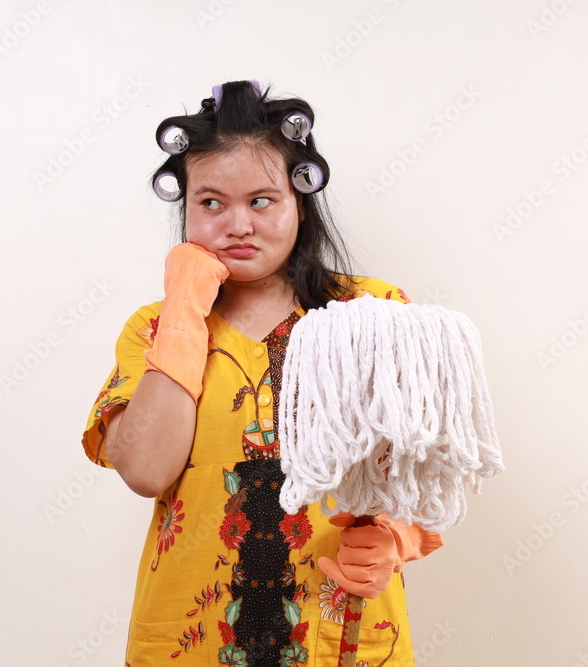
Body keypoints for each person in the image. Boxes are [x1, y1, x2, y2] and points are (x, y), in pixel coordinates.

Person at [82, 81, 442, 666]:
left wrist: (398, 539)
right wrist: (184, 306)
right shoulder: (153, 329)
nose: (237, 224)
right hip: (191, 637)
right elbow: (147, 469)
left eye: (261, 200)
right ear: (186, 209)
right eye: (211, 203)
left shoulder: (373, 314)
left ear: (301, 201)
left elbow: (434, 465)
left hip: (340, 631)